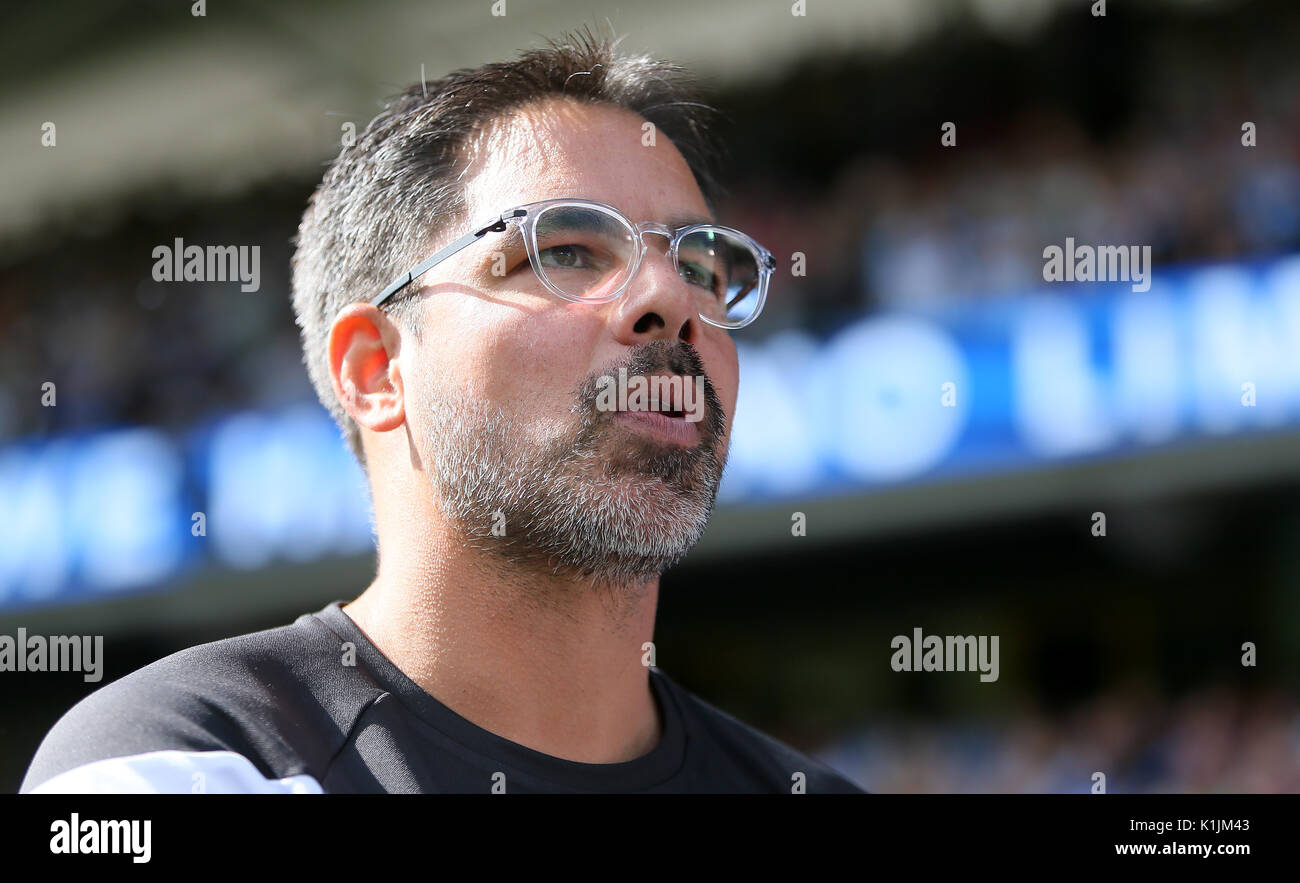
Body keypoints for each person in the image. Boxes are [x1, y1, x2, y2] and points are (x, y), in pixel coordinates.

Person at [21, 29, 863, 794]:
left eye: (703, 267)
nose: (669, 298)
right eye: (566, 250)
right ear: (377, 369)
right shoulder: (185, 760)